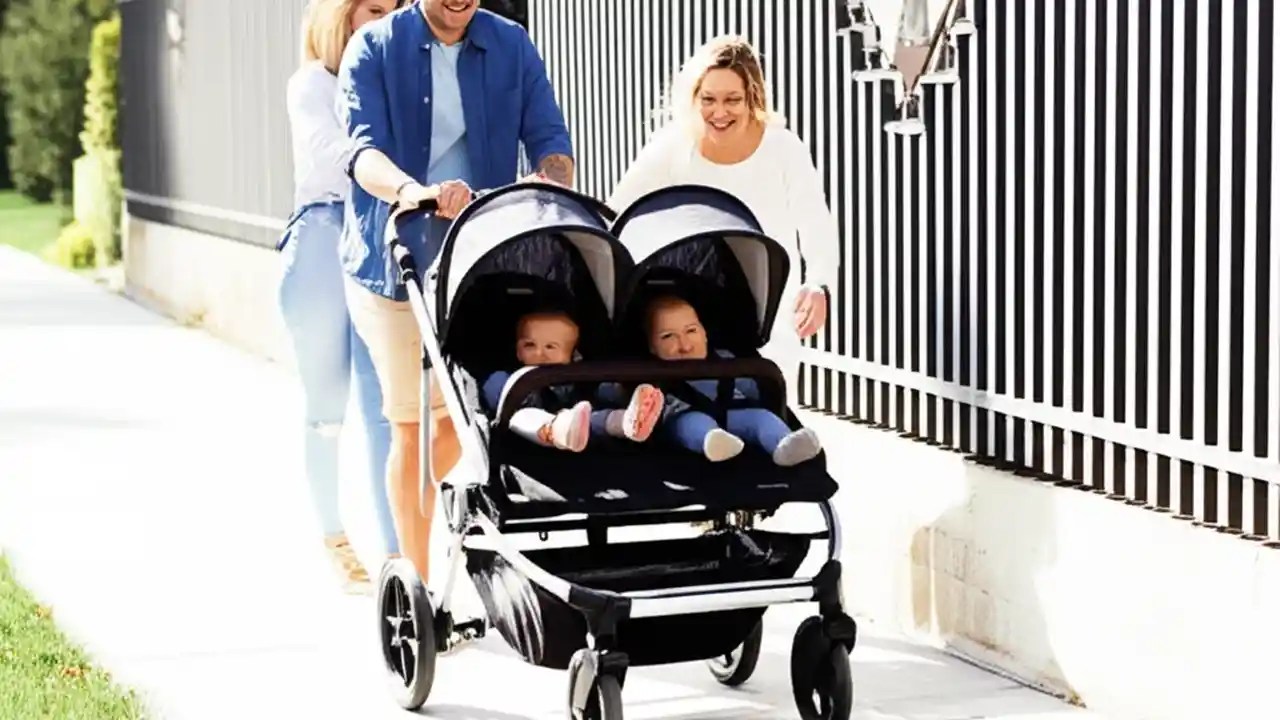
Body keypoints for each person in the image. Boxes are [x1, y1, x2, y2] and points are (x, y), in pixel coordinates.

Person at [336, 0, 575, 584]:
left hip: (480, 260)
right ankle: (414, 584)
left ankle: (421, 499)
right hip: (396, 261)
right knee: (412, 427)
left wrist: (549, 176)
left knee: (463, 422)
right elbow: (362, 153)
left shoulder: (510, 44)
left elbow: (550, 138)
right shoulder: (373, 47)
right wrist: (413, 191)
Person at [608, 35, 840, 399]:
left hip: (770, 309)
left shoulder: (783, 148)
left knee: (769, 406)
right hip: (691, 311)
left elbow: (815, 221)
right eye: (709, 100)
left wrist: (820, 284)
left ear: (753, 99)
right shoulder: (672, 148)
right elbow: (618, 212)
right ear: (693, 99)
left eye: (733, 100)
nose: (720, 112)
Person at [277, 0, 401, 594]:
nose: (382, 21)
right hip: (324, 238)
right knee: (328, 407)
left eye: (393, 10)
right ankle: (335, 538)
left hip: (378, 237)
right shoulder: (311, 84)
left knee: (386, 408)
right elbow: (332, 151)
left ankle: (399, 553)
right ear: (340, 15)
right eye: (370, 9)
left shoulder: (392, 79)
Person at [644, 295, 822, 466]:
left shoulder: (727, 361)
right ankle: (713, 442)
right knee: (692, 423)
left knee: (762, 418)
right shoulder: (648, 371)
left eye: (691, 330)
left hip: (732, 410)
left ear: (705, 333)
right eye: (668, 336)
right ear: (652, 347)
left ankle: (784, 444)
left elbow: (753, 390)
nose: (685, 345)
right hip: (685, 414)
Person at [480, 310, 664, 451]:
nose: (539, 353)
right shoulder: (505, 377)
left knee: (595, 416)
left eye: (550, 347)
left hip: (579, 422)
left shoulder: (577, 376)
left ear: (572, 355)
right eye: (529, 345)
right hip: (531, 428)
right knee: (521, 417)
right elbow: (499, 405)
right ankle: (556, 430)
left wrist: (622, 390)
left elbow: (601, 391)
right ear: (518, 351)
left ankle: (628, 422)